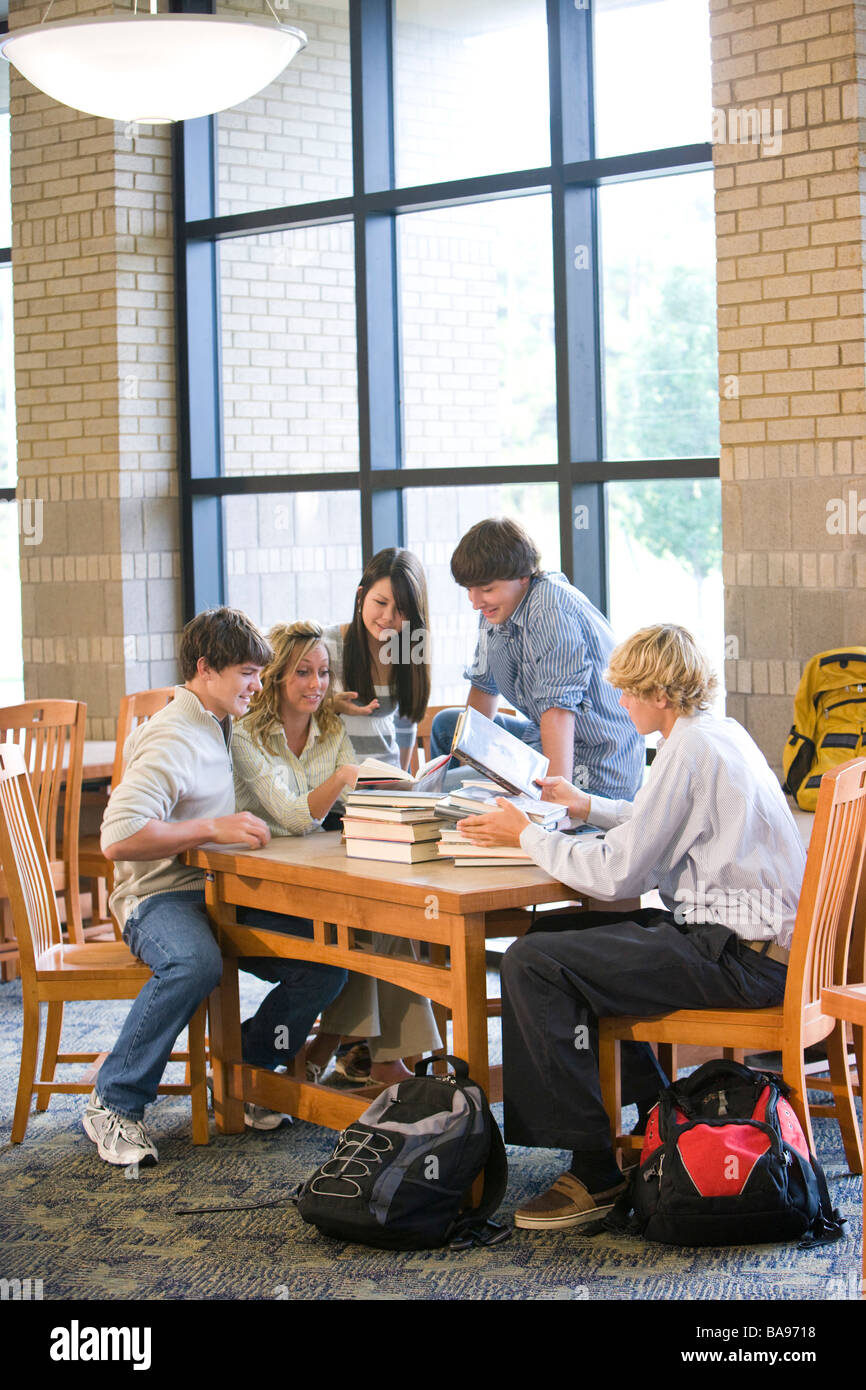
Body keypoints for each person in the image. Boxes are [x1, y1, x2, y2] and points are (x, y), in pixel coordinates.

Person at [457, 624, 807, 1230]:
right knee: (548, 942)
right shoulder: (716, 733)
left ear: (661, 696)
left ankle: (593, 1169)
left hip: (738, 959)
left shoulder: (689, 749)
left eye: (628, 693)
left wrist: (526, 834)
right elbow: (662, 820)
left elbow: (619, 873)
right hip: (750, 946)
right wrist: (585, 805)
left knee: (532, 962)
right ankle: (655, 1114)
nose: (620, 704)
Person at [86, 608, 348, 1168]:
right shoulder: (173, 734)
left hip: (216, 890)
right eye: (249, 674)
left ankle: (247, 1069)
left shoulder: (219, 721)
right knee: (194, 964)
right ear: (206, 669)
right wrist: (211, 828)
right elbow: (118, 836)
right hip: (158, 895)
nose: (258, 685)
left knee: (327, 961)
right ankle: (114, 1102)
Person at [232, 620, 442, 1089]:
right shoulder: (247, 734)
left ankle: (388, 1063)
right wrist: (346, 776)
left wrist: (405, 797)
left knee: (383, 923)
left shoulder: (330, 727)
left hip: (314, 880)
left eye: (324, 672)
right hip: (259, 890)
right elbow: (290, 816)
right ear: (277, 677)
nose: (317, 684)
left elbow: (356, 798)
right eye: (303, 672)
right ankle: (285, 1057)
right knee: (357, 936)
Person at [428, 517, 643, 800]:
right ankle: (458, 817)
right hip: (541, 744)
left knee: (439, 792)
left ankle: (458, 815)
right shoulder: (496, 610)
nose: (475, 602)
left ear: (523, 576)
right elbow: (483, 689)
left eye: (486, 589)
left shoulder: (550, 609)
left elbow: (558, 714)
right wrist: (478, 769)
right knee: (448, 727)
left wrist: (554, 806)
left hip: (592, 770)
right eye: (469, 589)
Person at [322, 547, 431, 774]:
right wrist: (328, 706)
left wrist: (400, 781)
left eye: (401, 609)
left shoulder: (407, 649)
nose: (388, 617)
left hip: (384, 789)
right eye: (380, 603)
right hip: (335, 791)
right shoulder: (325, 645)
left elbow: (405, 723)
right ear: (361, 596)